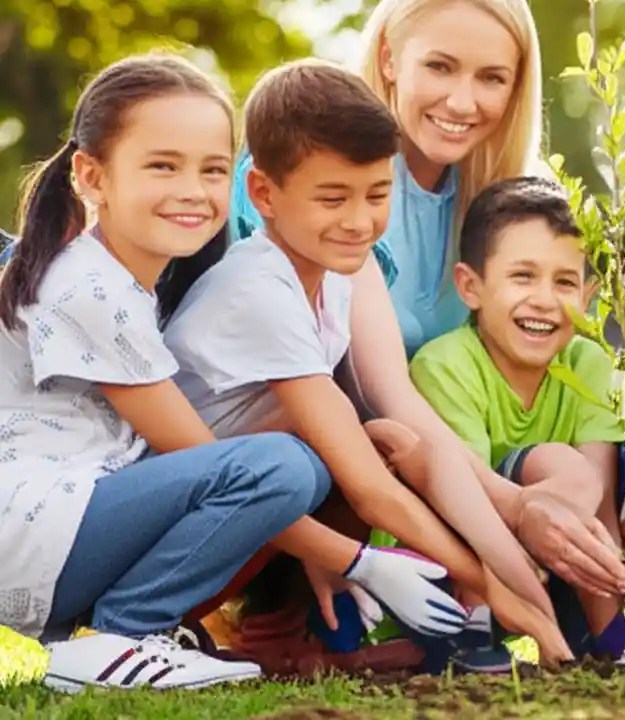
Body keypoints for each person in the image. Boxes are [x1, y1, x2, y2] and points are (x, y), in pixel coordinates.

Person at [224, 0, 625, 653]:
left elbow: (549, 367)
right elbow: (381, 396)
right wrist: (512, 514)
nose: (463, 100)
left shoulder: (514, 194)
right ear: (388, 58)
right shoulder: (320, 183)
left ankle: (551, 619)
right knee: (374, 436)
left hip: (452, 456)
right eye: (439, 66)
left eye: (492, 78)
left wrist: (565, 493)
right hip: (324, 457)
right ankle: (289, 607)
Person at [163, 60, 571, 669]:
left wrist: (515, 577)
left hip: (243, 503)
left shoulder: (341, 273)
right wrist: (491, 584)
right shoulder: (259, 286)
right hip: (170, 535)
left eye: (378, 195)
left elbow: (389, 439)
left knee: (391, 438)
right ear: (265, 195)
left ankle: (290, 638)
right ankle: (193, 623)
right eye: (334, 198)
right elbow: (370, 492)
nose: (359, 222)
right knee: (354, 443)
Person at [0, 53, 329, 692]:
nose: (193, 190)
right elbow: (199, 454)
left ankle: (120, 632)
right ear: (91, 177)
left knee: (299, 466)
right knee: (281, 467)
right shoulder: (89, 286)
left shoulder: (125, 280)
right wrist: (359, 559)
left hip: (66, 519)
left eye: (211, 170)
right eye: (162, 165)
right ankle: (118, 636)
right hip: (34, 531)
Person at [405, 176, 625, 661]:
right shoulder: (445, 366)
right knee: (555, 463)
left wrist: (610, 631)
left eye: (563, 282)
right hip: (461, 557)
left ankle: (595, 630)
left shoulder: (589, 363)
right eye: (522, 277)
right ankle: (470, 629)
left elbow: (599, 499)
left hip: (561, 551)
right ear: (471, 287)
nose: (544, 299)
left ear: (586, 298)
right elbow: (461, 503)